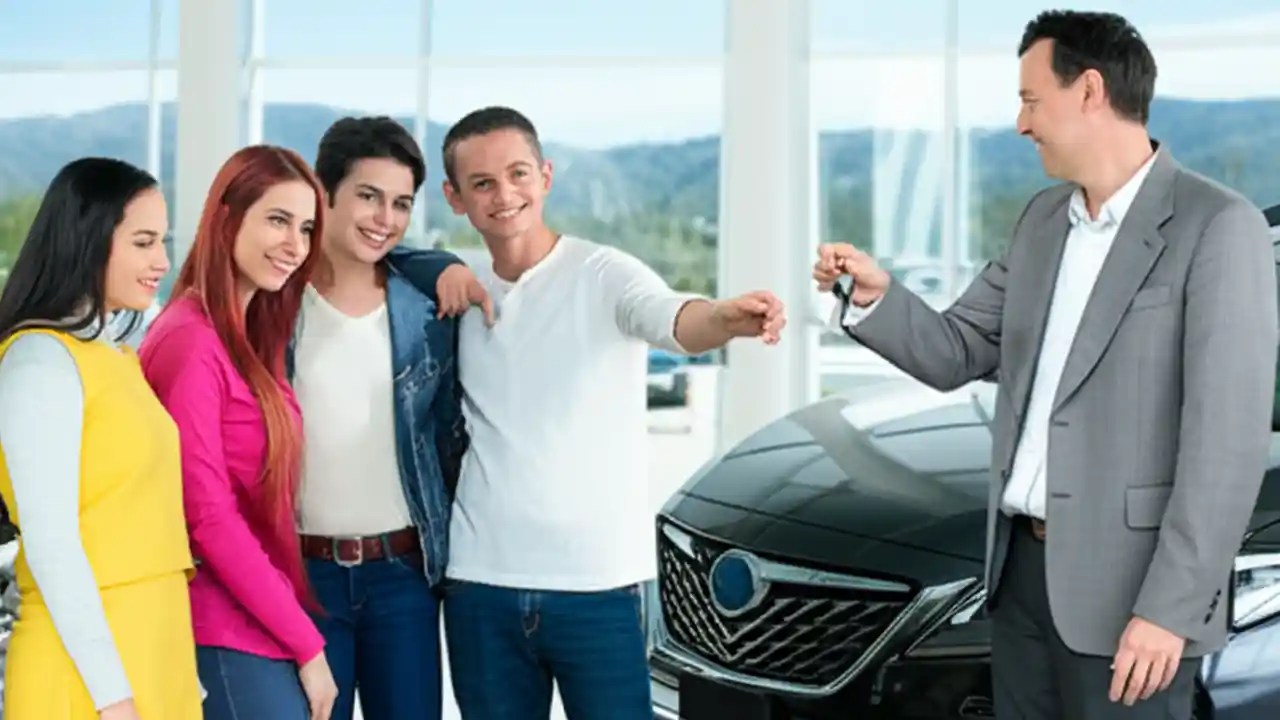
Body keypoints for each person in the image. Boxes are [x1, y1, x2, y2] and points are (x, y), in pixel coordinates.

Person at [813, 11, 1277, 720]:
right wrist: (877, 298)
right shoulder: (1041, 221)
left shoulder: (1217, 226)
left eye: (1031, 100)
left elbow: (1227, 445)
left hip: (1132, 601)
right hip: (1022, 582)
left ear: (1090, 90)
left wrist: (1172, 609)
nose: (1021, 123)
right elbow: (956, 349)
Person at [436, 105, 786, 719]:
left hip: (600, 587)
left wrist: (725, 319)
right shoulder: (458, 288)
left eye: (518, 173)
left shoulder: (604, 274)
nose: (505, 194)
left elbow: (674, 318)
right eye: (482, 183)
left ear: (545, 176)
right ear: (455, 198)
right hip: (479, 583)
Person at [287, 116, 479, 720]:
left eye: (400, 203)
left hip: (403, 578)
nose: (384, 219)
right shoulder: (276, 307)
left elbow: (450, 437)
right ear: (325, 193)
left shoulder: (424, 313)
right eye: (368, 196)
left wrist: (441, 262)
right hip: (301, 576)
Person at [139, 145, 338, 720]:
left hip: (256, 619)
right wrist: (305, 643)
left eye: (305, 228)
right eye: (277, 220)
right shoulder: (190, 340)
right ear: (227, 218)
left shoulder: (247, 340)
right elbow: (205, 514)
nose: (295, 246)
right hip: (218, 625)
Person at [0, 157, 201, 719]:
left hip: (151, 655)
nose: (162, 261)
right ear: (88, 241)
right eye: (143, 242)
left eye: (163, 241)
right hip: (87, 678)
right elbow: (52, 543)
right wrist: (113, 698)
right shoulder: (40, 360)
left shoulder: (114, 357)